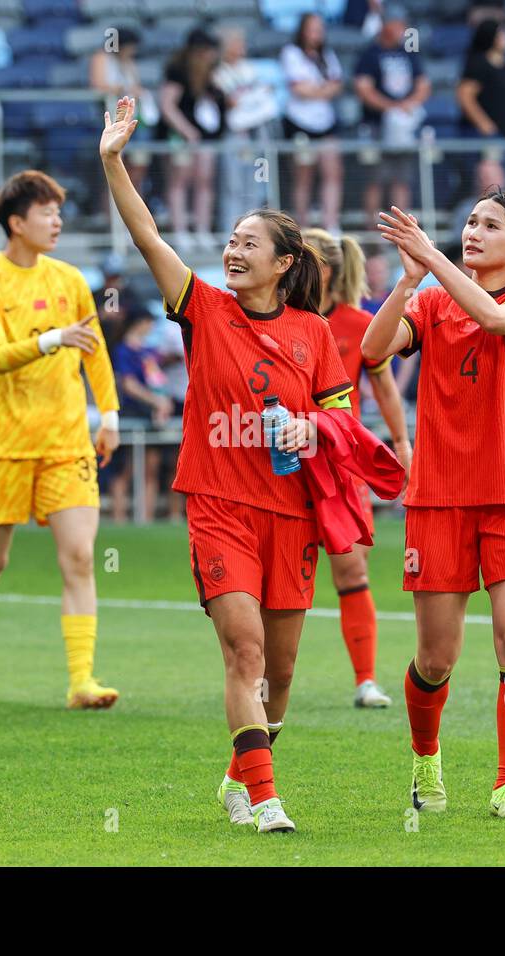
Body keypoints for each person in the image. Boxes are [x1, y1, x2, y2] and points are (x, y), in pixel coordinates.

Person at [102, 96, 357, 833]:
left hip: (293, 514)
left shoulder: (314, 332)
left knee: (279, 676)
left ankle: (239, 775)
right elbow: (147, 231)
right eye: (231, 239)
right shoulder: (203, 307)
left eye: (250, 244)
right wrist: (112, 158)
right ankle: (268, 799)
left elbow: (340, 421)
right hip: (219, 505)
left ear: (284, 264)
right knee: (242, 650)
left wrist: (301, 424)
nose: (233, 250)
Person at [362, 188, 505, 820]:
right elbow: (372, 350)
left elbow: (496, 320)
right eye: (470, 220)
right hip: (439, 499)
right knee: (436, 658)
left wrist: (434, 258)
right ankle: (425, 759)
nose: (473, 231)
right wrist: (407, 279)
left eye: (490, 225)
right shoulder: (433, 299)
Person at [0, 171, 121, 711]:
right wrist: (51, 340)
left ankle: (82, 680)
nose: (56, 222)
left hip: (64, 441)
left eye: (58, 212)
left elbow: (93, 349)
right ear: (16, 222)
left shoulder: (70, 279)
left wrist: (110, 413)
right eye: (46, 213)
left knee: (79, 556)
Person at [303, 227, 411, 710]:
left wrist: (402, 442)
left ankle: (365, 680)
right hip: (282, 462)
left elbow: (384, 386)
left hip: (339, 460)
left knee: (351, 570)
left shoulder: (358, 323)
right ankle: (259, 676)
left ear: (324, 268)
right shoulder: (279, 317)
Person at [354, 5, 431, 230]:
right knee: (375, 181)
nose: (401, 29)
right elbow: (363, 88)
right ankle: (373, 233)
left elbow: (423, 84)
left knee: (402, 180)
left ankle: (402, 231)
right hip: (377, 126)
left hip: (403, 128)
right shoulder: (370, 53)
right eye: (396, 24)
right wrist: (391, 107)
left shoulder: (408, 52)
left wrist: (407, 105)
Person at [158, 29, 226, 250]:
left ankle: (202, 230)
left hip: (204, 138)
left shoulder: (210, 74)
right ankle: (180, 231)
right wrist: (187, 131)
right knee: (179, 182)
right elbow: (167, 106)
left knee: (204, 182)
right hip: (180, 137)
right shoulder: (177, 71)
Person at [280, 13, 345, 232]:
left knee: (332, 171)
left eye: (320, 29)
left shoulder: (327, 54)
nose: (317, 33)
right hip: (300, 123)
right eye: (312, 28)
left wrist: (315, 90)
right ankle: (303, 226)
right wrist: (322, 89)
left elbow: (337, 85)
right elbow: (299, 89)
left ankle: (331, 223)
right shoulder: (291, 52)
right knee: (303, 176)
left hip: (325, 122)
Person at [110, 310, 175, 524]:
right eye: (148, 322)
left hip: (150, 414)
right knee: (126, 468)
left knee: (151, 467)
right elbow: (129, 385)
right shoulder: (123, 351)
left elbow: (156, 381)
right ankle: (119, 518)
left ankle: (145, 519)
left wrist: (161, 402)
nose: (150, 327)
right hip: (131, 413)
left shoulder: (149, 352)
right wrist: (155, 401)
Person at [214, 27, 278, 234]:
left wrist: (248, 100)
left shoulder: (250, 69)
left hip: (256, 135)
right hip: (234, 136)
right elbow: (232, 105)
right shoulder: (218, 73)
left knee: (257, 186)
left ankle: (255, 231)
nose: (240, 48)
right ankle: (230, 231)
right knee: (233, 187)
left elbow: (267, 102)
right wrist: (253, 98)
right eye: (235, 44)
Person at [458, 18, 505, 193]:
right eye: (502, 33)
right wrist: (485, 125)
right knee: (491, 185)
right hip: (490, 137)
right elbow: (464, 95)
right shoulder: (478, 63)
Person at [89, 27, 154, 195]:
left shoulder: (128, 63)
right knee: (113, 171)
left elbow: (136, 86)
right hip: (111, 120)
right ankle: (111, 217)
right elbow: (98, 85)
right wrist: (122, 89)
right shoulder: (101, 58)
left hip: (133, 122)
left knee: (137, 168)